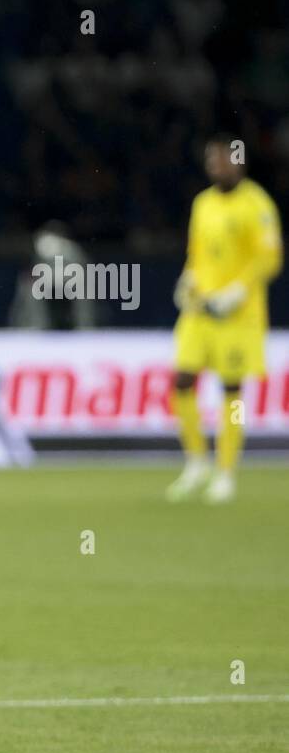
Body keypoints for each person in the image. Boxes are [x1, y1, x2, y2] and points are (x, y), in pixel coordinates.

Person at [168, 133, 282, 503]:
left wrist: (237, 291)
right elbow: (197, 252)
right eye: (211, 160)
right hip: (201, 312)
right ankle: (197, 461)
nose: (217, 166)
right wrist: (189, 278)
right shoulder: (203, 203)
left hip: (238, 316)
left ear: (239, 162)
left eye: (223, 160)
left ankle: (226, 470)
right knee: (182, 381)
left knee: (231, 392)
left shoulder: (257, 205)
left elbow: (269, 258)